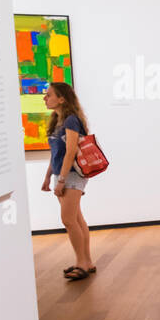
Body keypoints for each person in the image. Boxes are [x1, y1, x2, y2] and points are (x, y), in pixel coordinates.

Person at [41, 82, 95, 281]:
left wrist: (61, 180)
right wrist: (48, 177)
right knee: (77, 219)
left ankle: (81, 263)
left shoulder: (71, 121)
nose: (45, 98)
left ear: (62, 98)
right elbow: (56, 154)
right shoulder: (57, 121)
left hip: (71, 175)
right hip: (61, 175)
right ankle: (87, 262)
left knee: (69, 220)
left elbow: (71, 151)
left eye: (49, 95)